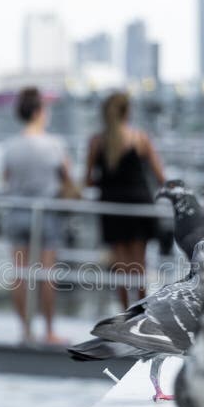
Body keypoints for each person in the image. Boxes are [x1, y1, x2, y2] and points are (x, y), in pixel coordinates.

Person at [2, 87, 74, 344]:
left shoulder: (11, 145)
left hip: (17, 213)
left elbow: (6, 178)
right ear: (38, 112)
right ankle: (49, 330)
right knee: (47, 273)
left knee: (20, 273)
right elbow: (67, 178)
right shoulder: (54, 144)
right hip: (47, 214)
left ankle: (25, 330)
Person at [85, 92, 166, 310]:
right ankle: (140, 313)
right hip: (139, 205)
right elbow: (161, 177)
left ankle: (123, 313)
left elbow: (88, 180)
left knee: (119, 264)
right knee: (139, 264)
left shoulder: (96, 142)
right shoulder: (140, 138)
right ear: (127, 111)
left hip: (111, 206)